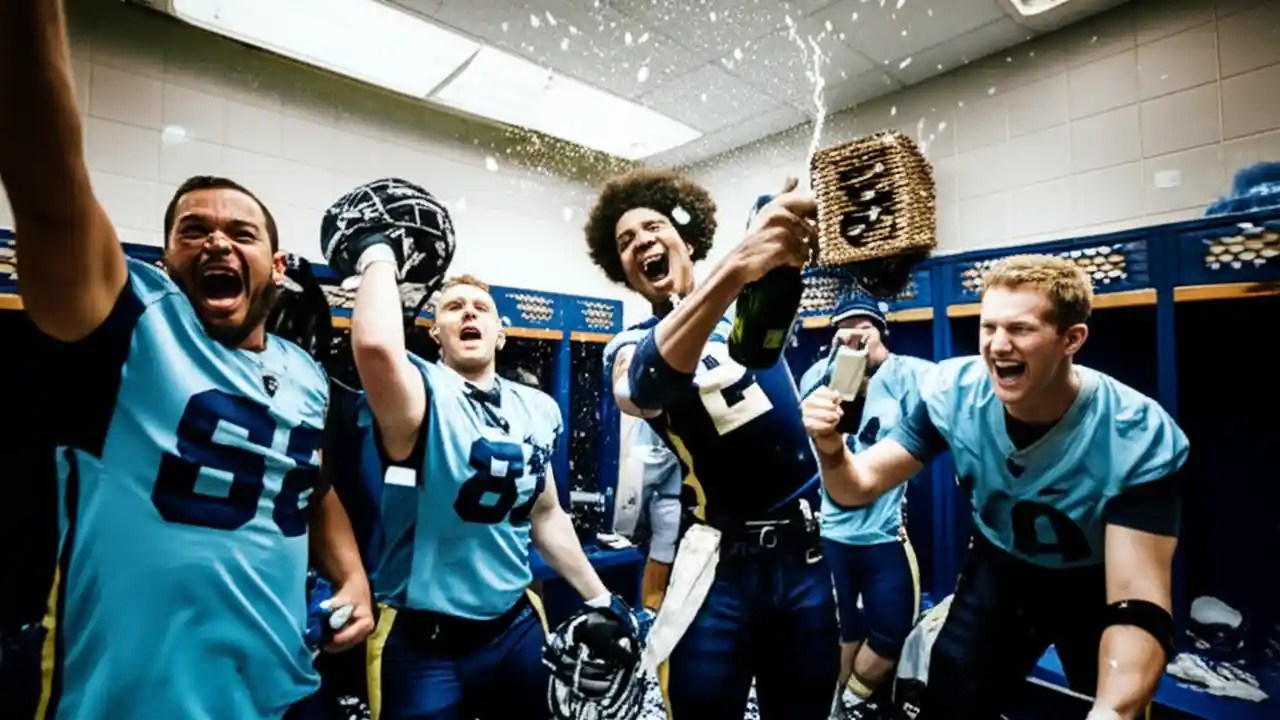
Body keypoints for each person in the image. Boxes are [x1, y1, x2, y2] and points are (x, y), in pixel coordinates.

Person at [0, 2, 375, 718]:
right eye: (191, 230)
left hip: (285, 694)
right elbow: (48, 187)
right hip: (130, 700)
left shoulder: (304, 374)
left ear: (279, 263)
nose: (216, 244)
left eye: (241, 232)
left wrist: (351, 575)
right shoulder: (130, 327)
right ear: (165, 256)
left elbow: (313, 488)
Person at [803, 254, 1189, 720]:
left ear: (1072, 339)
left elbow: (1138, 601)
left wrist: (1112, 710)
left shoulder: (1136, 432)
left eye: (1020, 329)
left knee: (1113, 702)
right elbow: (857, 487)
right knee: (951, 692)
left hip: (1093, 581)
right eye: (988, 327)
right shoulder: (956, 392)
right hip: (999, 567)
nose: (998, 346)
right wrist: (830, 449)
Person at [338, 197, 644, 719]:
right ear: (436, 334)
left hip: (514, 622)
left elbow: (545, 513)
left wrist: (599, 598)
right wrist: (377, 255)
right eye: (453, 308)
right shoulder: (421, 393)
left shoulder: (538, 407)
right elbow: (375, 350)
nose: (468, 314)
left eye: (481, 308)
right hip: (421, 637)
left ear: (502, 333)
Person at [583, 167, 839, 719]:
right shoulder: (630, 344)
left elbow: (777, 279)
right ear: (624, 274)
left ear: (687, 239)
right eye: (625, 242)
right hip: (720, 563)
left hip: (806, 553)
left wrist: (783, 229)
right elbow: (643, 387)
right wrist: (736, 265)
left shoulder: (744, 311)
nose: (642, 242)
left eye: (653, 227)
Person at [796, 294, 934, 719]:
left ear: (882, 333)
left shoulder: (911, 373)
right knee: (839, 629)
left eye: (865, 328)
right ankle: (838, 707)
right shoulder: (818, 376)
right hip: (831, 533)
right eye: (845, 328)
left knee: (892, 630)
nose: (854, 335)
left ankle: (855, 699)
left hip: (884, 531)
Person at [613, 418, 685, 612]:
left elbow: (668, 495)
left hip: (629, 550)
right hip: (558, 542)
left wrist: (657, 577)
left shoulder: (658, 414)